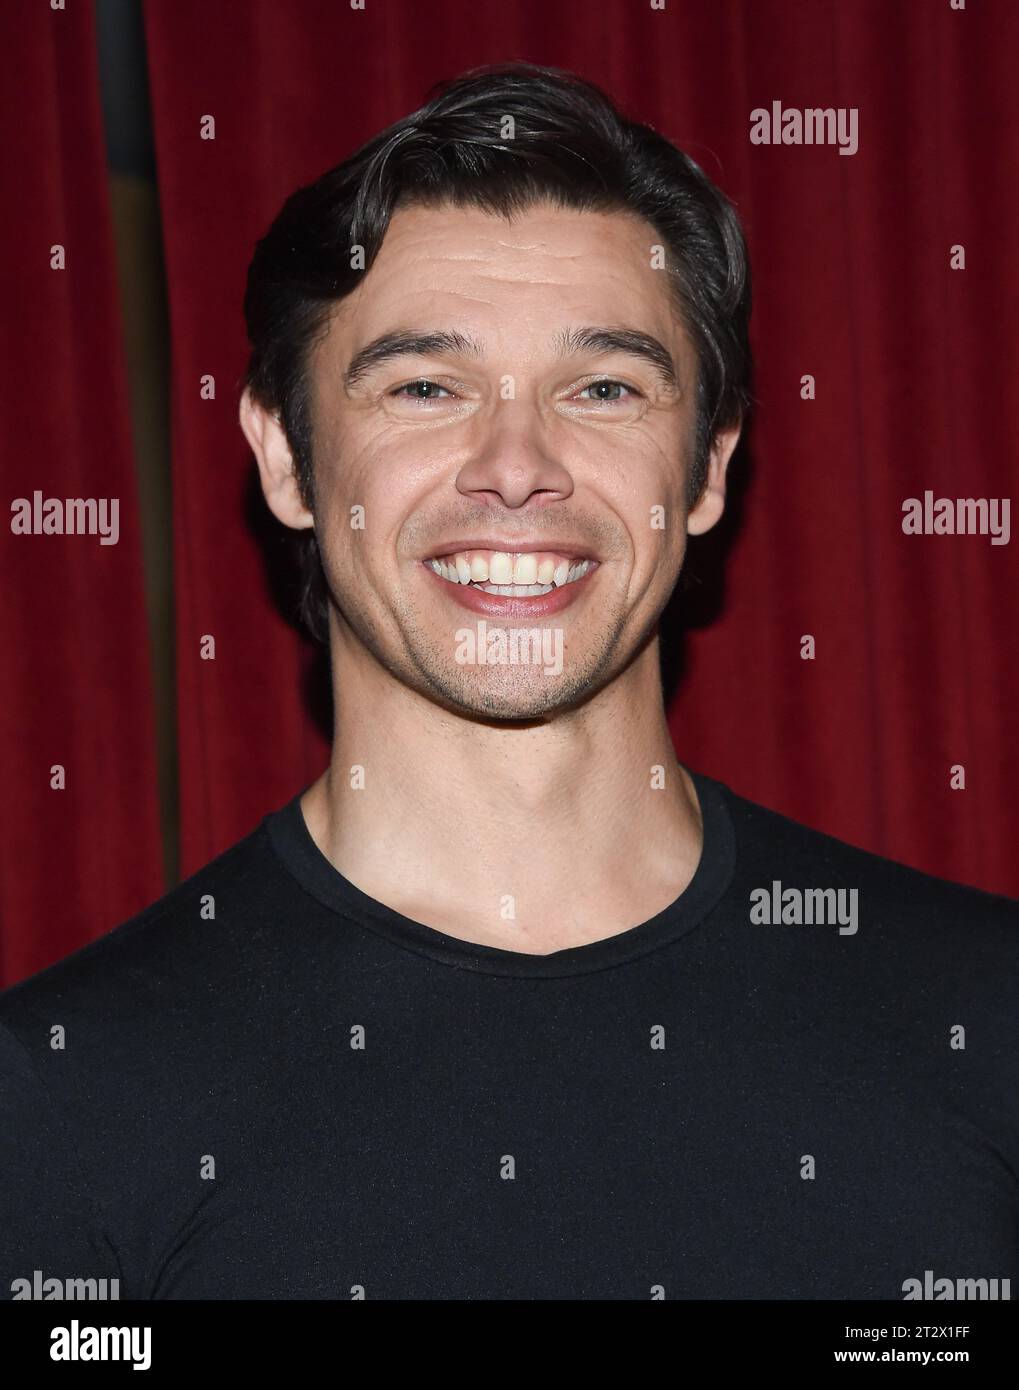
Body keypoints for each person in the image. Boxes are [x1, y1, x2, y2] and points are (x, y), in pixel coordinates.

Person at [2, 62, 1016, 1302]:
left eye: (602, 388)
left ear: (705, 470)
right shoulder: (60, 1092)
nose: (516, 463)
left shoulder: (986, 1019)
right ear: (284, 455)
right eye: (425, 386)